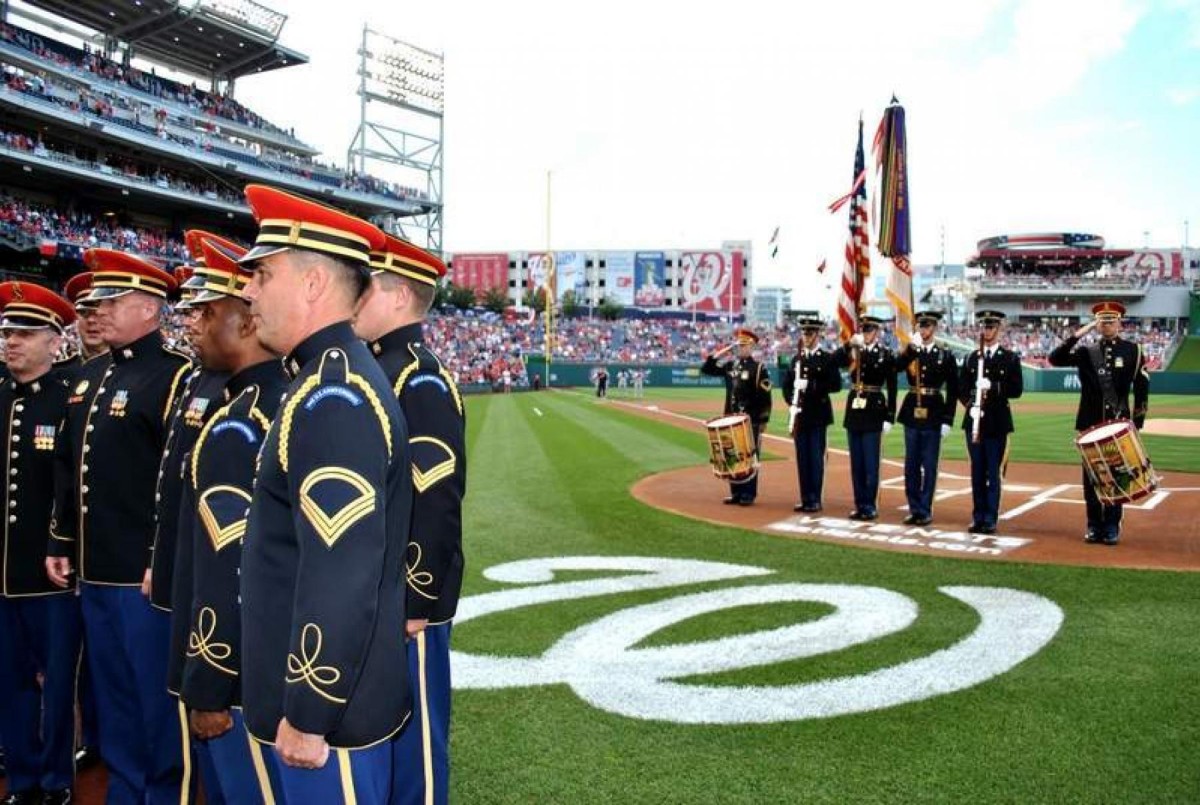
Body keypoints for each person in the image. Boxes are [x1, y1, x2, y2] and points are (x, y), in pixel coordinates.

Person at [237, 184, 413, 804]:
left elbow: (344, 571)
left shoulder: (331, 397)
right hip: (322, 710)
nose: (248, 291)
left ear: (313, 284)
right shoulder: (318, 381)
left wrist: (310, 709)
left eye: (261, 273)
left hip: (325, 725)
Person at [46, 251, 191, 805]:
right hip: (94, 569)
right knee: (111, 696)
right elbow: (67, 465)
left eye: (111, 301)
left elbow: (174, 479)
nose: (97, 311)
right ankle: (126, 791)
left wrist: (162, 554)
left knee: (153, 698)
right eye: (96, 303)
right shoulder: (87, 376)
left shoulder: (174, 376)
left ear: (150, 308)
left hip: (144, 575)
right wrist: (62, 539)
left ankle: (161, 793)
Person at [167, 234, 289, 802]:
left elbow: (227, 567)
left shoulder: (239, 423)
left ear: (245, 324)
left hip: (237, 680)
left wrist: (211, 684)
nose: (193, 321)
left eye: (207, 311)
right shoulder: (276, 401)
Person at [353, 234, 466, 805]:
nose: (353, 297)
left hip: (408, 605)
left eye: (365, 286)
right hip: (380, 595)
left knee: (417, 748)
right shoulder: (376, 368)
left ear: (398, 295)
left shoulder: (415, 377)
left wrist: (418, 603)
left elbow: (437, 499)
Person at [0, 282, 81, 805]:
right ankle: (24, 778)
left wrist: (62, 543)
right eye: (7, 333)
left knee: (57, 684)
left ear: (55, 341)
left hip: (47, 573)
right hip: (2, 573)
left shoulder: (69, 399)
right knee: (9, 683)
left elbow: (72, 483)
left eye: (25, 334)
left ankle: (56, 779)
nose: (11, 343)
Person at [147, 231, 234, 616]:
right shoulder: (195, 375)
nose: (190, 322)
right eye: (189, 311)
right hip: (175, 552)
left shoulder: (237, 384)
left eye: (203, 311)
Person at [1048, 301, 1150, 545]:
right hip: (1090, 423)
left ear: (1119, 322)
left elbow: (1142, 387)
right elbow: (1055, 358)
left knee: (1117, 476)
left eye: (1110, 321)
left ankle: (1112, 525)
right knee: (1092, 478)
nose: (1107, 325)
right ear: (1097, 324)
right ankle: (1094, 525)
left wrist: (1136, 422)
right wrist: (1080, 333)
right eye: (1102, 321)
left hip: (1117, 425)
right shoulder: (1086, 353)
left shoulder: (1133, 351)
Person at [958, 310, 1023, 535]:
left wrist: (994, 387)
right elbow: (961, 387)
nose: (987, 331)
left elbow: (1016, 390)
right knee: (977, 472)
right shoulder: (971, 358)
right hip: (975, 423)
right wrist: (970, 406)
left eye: (991, 327)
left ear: (999, 329)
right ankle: (978, 516)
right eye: (984, 326)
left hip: (997, 422)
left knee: (993, 473)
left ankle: (990, 518)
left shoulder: (1010, 358)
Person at [895, 311, 960, 525]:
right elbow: (894, 368)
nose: (924, 330)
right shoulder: (911, 351)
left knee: (929, 465)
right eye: (921, 326)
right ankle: (914, 508)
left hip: (933, 413)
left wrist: (948, 419)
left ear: (935, 328)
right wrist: (910, 350)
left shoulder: (945, 354)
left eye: (928, 326)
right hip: (912, 411)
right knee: (911, 465)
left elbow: (953, 389)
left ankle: (924, 509)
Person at [832, 316, 897, 520]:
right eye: (864, 330)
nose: (866, 334)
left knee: (871, 463)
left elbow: (893, 387)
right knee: (857, 464)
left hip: (874, 410)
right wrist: (848, 344)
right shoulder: (853, 352)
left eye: (870, 330)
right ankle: (859, 504)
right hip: (854, 411)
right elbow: (833, 361)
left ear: (876, 332)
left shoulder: (885, 354)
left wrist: (889, 416)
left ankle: (870, 504)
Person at [700, 327, 772, 506]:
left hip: (750, 419)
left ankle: (748, 493)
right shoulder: (730, 366)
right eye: (739, 345)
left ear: (751, 347)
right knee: (732, 455)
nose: (741, 348)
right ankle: (736, 492)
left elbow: (765, 397)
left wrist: (763, 420)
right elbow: (707, 369)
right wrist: (719, 353)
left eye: (744, 345)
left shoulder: (758, 368)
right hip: (730, 419)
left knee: (749, 457)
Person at [780, 316, 841, 513]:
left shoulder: (827, 358)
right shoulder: (797, 359)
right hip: (800, 416)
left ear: (817, 335)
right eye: (804, 333)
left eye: (809, 333)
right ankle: (805, 498)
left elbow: (836, 385)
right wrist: (791, 402)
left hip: (818, 416)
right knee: (802, 459)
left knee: (815, 458)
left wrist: (812, 385)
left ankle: (815, 498)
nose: (806, 337)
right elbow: (787, 384)